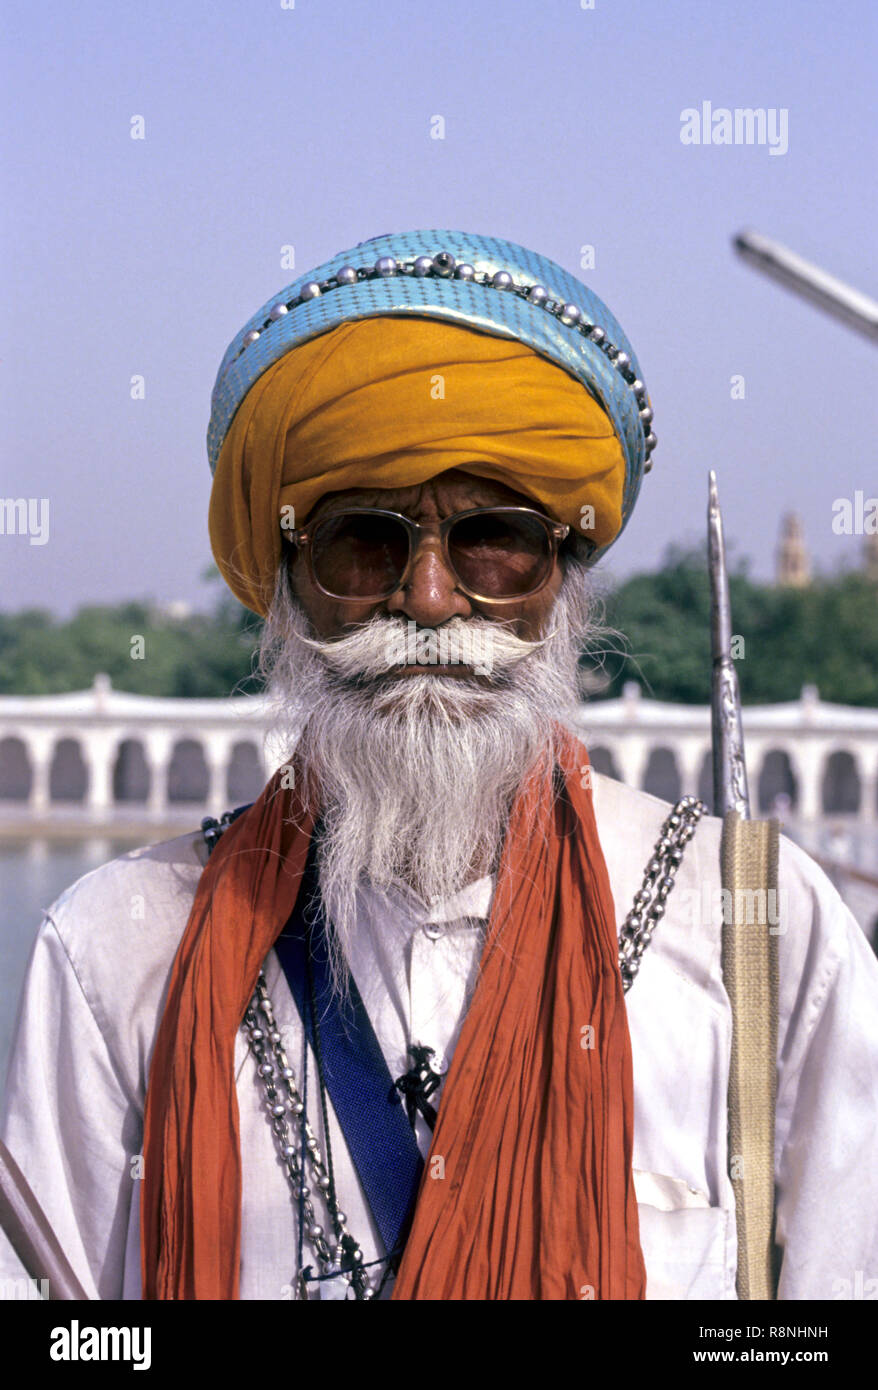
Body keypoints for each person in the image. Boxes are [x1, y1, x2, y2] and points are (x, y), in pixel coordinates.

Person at [2, 230, 877, 1301]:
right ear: (286, 590)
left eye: (492, 543)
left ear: (563, 579)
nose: (426, 600)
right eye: (363, 543)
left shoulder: (753, 923)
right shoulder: (119, 947)